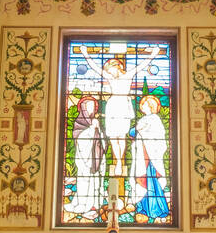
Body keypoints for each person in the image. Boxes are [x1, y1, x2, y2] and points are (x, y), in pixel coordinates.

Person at [75, 44, 160, 182]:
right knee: (113, 137)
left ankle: (120, 161)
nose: (109, 72)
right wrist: (85, 54)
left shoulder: (129, 74)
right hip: (113, 105)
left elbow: (143, 65)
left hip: (123, 106)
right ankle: (119, 162)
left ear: (117, 66)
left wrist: (153, 54)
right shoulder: (110, 78)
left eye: (110, 69)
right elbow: (95, 68)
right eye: (108, 70)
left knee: (121, 136)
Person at [129, 94, 169, 220]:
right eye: (142, 105)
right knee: (146, 181)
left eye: (145, 105)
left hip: (150, 157)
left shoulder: (152, 120)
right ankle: (144, 208)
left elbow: (134, 132)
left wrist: (135, 131)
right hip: (144, 154)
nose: (143, 107)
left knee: (150, 181)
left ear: (151, 107)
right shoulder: (147, 120)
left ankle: (154, 208)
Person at [68, 95, 104, 216]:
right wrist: (91, 129)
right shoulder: (79, 122)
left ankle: (93, 203)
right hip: (84, 159)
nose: (91, 110)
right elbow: (80, 139)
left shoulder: (96, 121)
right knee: (83, 180)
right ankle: (82, 202)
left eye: (93, 107)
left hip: (95, 158)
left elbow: (103, 141)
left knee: (94, 180)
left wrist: (97, 129)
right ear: (83, 108)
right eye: (89, 107)